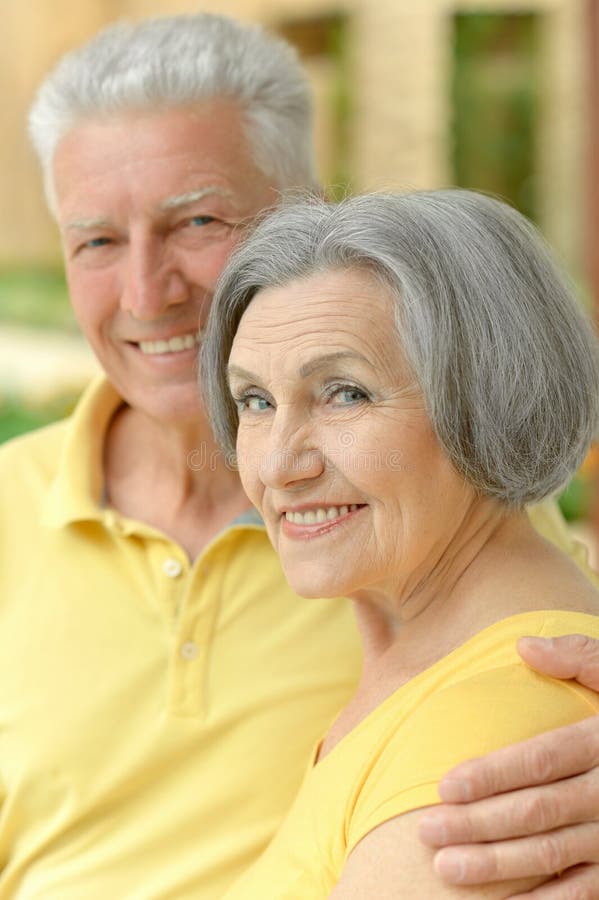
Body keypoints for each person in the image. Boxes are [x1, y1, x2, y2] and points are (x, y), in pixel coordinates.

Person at [0, 10, 595, 896]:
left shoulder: (444, 511)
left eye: (197, 221)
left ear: (305, 210)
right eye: (96, 241)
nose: (145, 292)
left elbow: (538, 648)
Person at [201, 188, 599, 897]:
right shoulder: (419, 657)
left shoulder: (498, 732)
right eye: (255, 401)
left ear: (486, 400)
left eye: (344, 393)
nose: (274, 466)